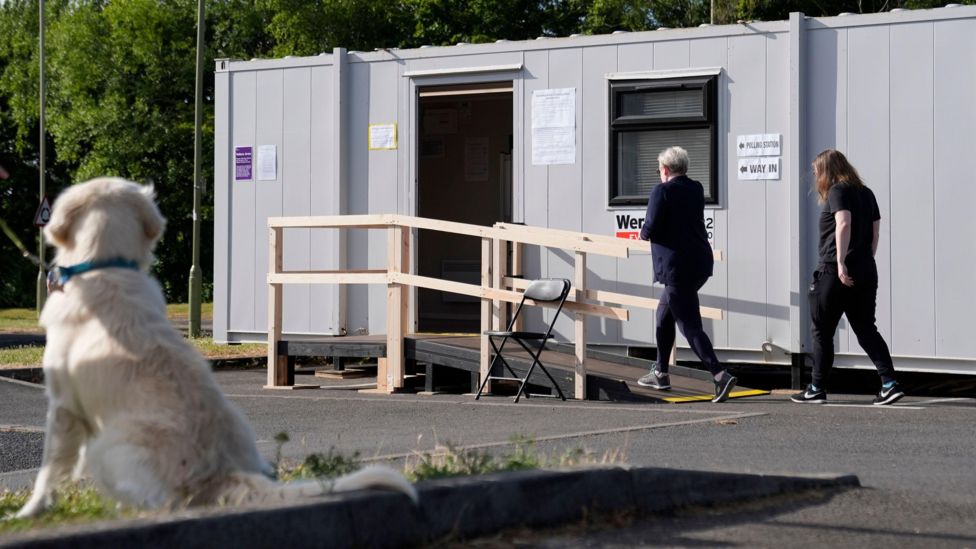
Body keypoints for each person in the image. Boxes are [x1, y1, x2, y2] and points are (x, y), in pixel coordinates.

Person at [792, 149, 904, 405]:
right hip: (865, 269)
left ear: (827, 170)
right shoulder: (867, 193)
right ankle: (889, 383)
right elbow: (876, 233)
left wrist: (841, 262)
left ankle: (817, 388)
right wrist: (864, 258)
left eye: (816, 170)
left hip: (834, 271)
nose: (815, 175)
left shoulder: (837, 191)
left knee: (821, 330)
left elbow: (844, 223)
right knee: (866, 328)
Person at [636, 146, 737, 403]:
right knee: (663, 316)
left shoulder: (662, 191)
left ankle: (719, 375)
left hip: (676, 268)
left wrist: (644, 233)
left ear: (666, 169)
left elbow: (650, 226)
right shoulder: (696, 188)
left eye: (659, 169)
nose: (659, 173)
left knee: (688, 323)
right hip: (699, 262)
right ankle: (660, 372)